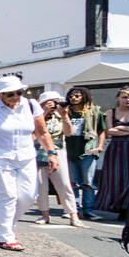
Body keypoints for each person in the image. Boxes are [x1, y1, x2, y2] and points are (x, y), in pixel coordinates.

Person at [0, 77, 58, 251]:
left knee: (29, 196)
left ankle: (8, 226)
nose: (16, 96)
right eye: (10, 94)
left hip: (26, 156)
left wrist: (52, 153)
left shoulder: (31, 105)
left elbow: (42, 132)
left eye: (19, 92)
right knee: (8, 195)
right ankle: (5, 237)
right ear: (1, 95)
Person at [93, 88, 129, 218]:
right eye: (125, 97)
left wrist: (122, 127)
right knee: (116, 178)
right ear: (118, 98)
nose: (128, 100)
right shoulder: (111, 112)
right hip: (117, 148)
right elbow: (110, 131)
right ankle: (118, 207)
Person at [34, 91, 82, 226]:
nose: (54, 105)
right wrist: (42, 114)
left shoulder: (60, 117)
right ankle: (45, 215)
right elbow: (33, 134)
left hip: (58, 151)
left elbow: (69, 133)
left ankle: (73, 215)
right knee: (41, 186)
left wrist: (64, 115)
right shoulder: (36, 117)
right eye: (51, 102)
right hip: (38, 152)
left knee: (64, 184)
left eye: (57, 101)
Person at [63, 86, 104, 219]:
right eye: (71, 96)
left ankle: (88, 209)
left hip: (88, 150)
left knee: (88, 182)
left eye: (77, 96)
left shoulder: (93, 111)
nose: (73, 98)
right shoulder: (65, 112)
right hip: (69, 149)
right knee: (72, 182)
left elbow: (101, 131)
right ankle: (73, 209)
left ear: (84, 97)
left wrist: (100, 146)